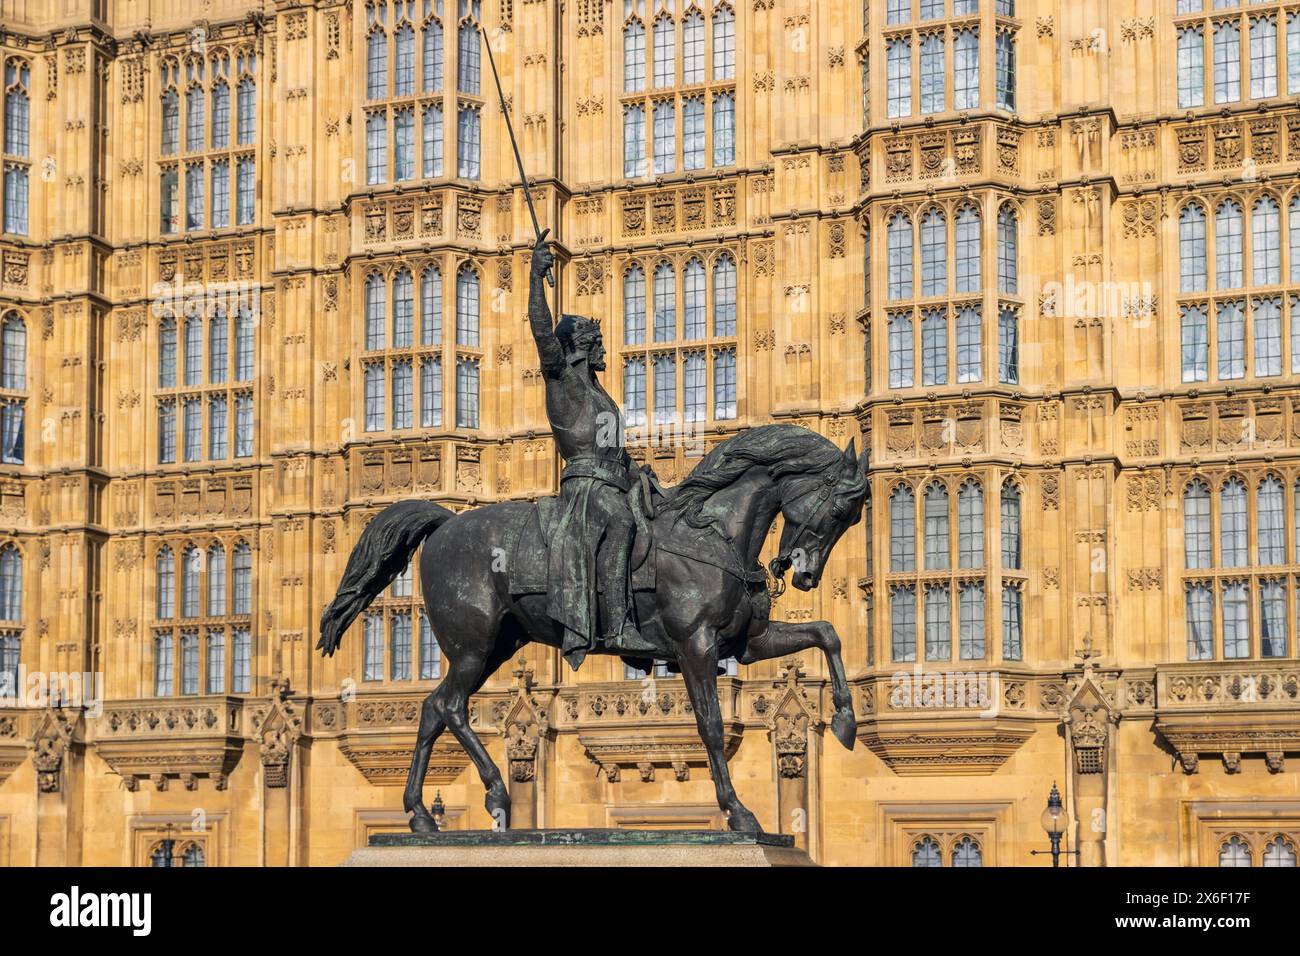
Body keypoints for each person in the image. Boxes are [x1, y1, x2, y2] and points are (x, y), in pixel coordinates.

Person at [528, 230, 648, 669]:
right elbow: (542, 331)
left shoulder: (599, 393)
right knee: (619, 523)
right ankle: (616, 626)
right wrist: (535, 279)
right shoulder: (561, 378)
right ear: (580, 343)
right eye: (596, 340)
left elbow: (614, 450)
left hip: (614, 481)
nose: (603, 348)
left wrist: (639, 475)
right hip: (586, 488)